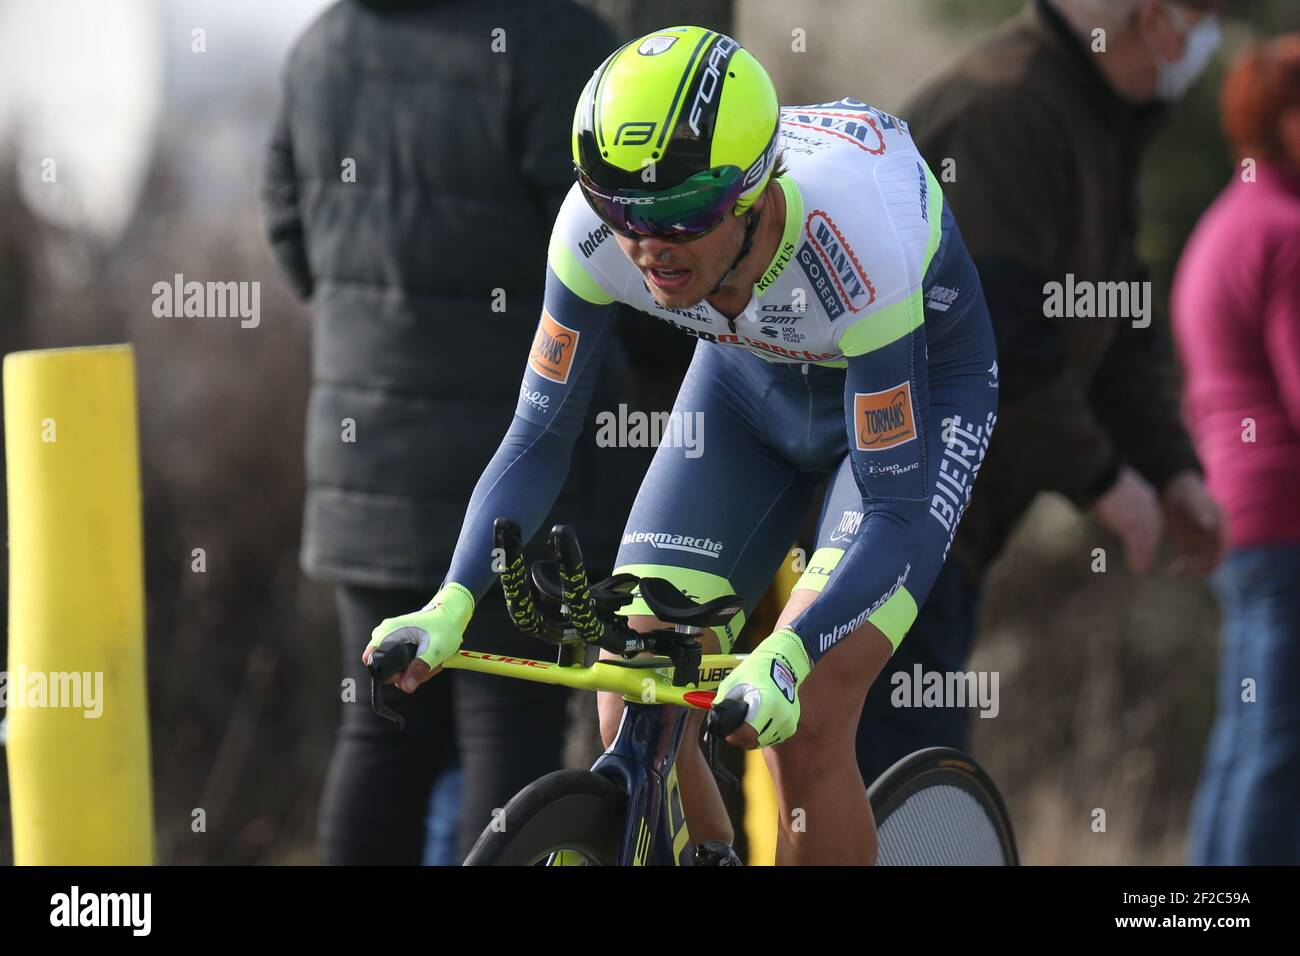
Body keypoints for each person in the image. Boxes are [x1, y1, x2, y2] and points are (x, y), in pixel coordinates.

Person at [367, 25, 999, 865]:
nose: (648, 249)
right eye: (621, 214)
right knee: (630, 686)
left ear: (753, 191)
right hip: (749, 387)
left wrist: (786, 652)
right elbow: (538, 435)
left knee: (806, 712)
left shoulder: (857, 239)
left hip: (914, 390)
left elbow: (890, 507)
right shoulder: (595, 233)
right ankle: (710, 851)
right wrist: (449, 602)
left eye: (680, 219)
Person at [261, 0, 622, 864]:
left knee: (382, 732)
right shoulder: (551, 40)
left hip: (365, 466)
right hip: (520, 463)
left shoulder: (320, 48)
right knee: (511, 737)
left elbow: (290, 238)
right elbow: (628, 263)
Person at [863, 0, 1230, 784]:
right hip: (876, 524)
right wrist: (1103, 480)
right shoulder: (1010, 109)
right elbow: (993, 341)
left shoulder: (1099, 117)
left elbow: (1120, 328)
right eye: (1207, 14)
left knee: (910, 789)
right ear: (1157, 20)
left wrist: (1172, 472)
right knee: (908, 797)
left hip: (942, 534)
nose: (1211, 39)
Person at [1175, 34, 1300, 865]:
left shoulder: (1226, 220)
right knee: (1278, 753)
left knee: (1245, 738)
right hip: (1285, 521)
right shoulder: (1287, 229)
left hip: (1236, 515)